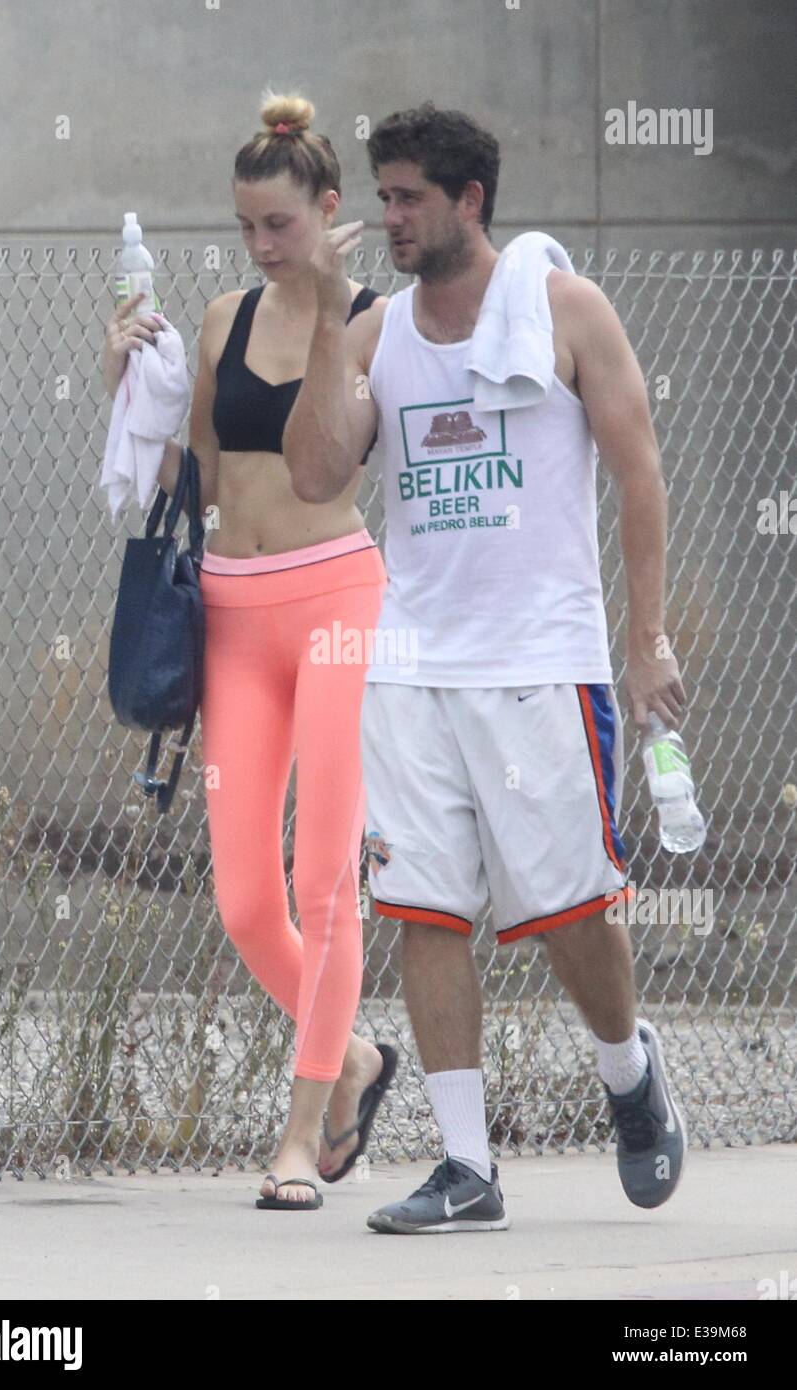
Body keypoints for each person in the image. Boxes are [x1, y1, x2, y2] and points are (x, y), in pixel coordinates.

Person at [283, 100, 688, 1233]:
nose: (389, 216)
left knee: (567, 911)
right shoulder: (377, 332)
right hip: (412, 667)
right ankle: (464, 1165)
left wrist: (644, 641)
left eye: (409, 196)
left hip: (539, 660)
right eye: (384, 196)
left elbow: (638, 474)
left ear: (468, 200)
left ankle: (627, 1071)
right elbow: (318, 475)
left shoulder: (565, 311)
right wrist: (325, 321)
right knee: (422, 905)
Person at [101, 90, 397, 1211]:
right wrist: (122, 380)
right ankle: (358, 1059)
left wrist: (323, 303)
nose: (261, 246)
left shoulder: (369, 316)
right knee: (239, 898)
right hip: (231, 606)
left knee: (324, 878)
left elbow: (341, 454)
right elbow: (197, 481)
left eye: (280, 225)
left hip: (334, 599)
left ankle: (299, 1129)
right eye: (246, 228)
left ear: (329, 211)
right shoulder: (222, 316)